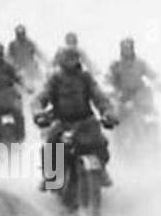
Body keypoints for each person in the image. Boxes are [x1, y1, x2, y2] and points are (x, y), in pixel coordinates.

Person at [33, 46, 117, 207]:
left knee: (101, 143)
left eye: (74, 58)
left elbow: (99, 97)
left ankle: (101, 171)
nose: (71, 62)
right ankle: (52, 177)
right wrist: (38, 112)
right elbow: (41, 97)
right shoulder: (55, 79)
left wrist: (108, 112)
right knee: (50, 145)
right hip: (62, 122)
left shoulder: (85, 78)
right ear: (62, 60)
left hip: (85, 122)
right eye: (68, 58)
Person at [105, 36, 161, 108]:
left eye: (128, 48)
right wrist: (113, 92)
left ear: (132, 49)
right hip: (123, 98)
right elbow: (108, 80)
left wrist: (158, 83)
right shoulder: (116, 65)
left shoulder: (140, 63)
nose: (126, 50)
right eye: (124, 48)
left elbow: (152, 75)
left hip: (140, 96)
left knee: (147, 104)